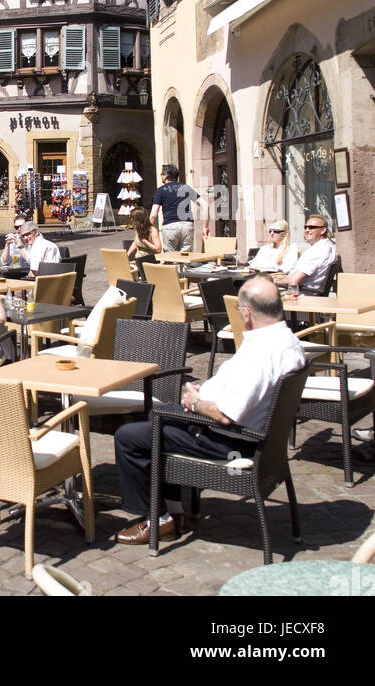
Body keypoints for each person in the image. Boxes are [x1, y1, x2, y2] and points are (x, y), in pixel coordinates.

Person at [113, 275, 305, 543]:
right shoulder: (284, 340)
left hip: (233, 441)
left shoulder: (262, 354)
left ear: (247, 313)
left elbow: (226, 415)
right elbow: (243, 393)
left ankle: (158, 519)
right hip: (254, 435)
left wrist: (195, 402)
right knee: (156, 418)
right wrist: (206, 392)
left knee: (129, 437)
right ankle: (175, 511)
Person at [274, 215, 336, 294]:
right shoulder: (326, 246)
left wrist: (274, 281)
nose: (307, 230)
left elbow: (294, 280)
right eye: (305, 227)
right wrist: (283, 278)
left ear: (323, 230)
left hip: (304, 294)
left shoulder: (318, 250)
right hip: (308, 291)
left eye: (311, 227)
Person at [150, 164, 200, 253]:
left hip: (170, 226)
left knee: (171, 259)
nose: (161, 176)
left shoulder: (161, 190)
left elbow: (154, 214)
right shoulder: (186, 187)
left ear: (165, 176)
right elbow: (205, 205)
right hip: (187, 225)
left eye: (161, 174)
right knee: (185, 257)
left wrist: (149, 229)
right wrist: (206, 227)